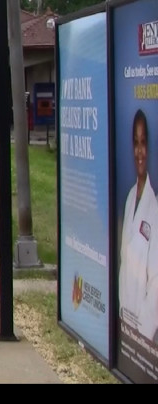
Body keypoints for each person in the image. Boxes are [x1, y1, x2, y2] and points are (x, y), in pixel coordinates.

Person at [119, 109, 158, 342]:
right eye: (135, 143)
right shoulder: (129, 198)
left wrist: (140, 334)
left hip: (144, 335)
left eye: (143, 143)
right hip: (125, 326)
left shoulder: (154, 208)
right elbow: (124, 266)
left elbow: (156, 284)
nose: (139, 152)